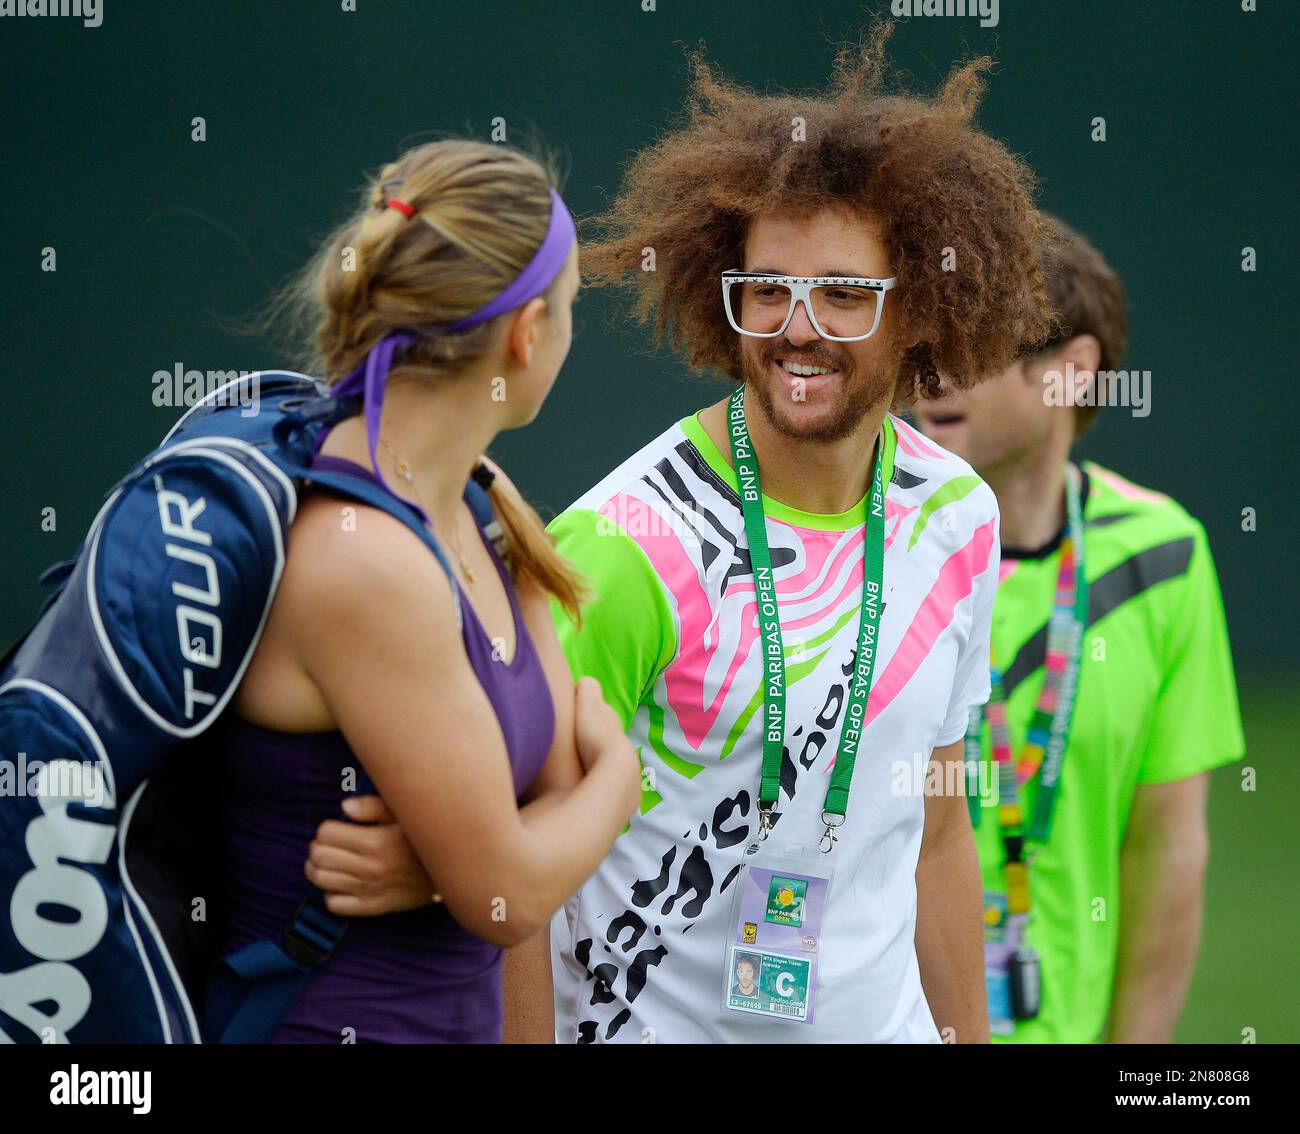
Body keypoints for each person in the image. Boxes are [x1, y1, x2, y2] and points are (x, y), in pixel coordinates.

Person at [316, 24, 1056, 1044]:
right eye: (766, 291)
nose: (798, 328)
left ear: (920, 311)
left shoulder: (956, 516)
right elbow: (509, 889)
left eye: (844, 294)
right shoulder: (623, 548)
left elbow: (934, 831)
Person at [212, 139, 641, 1043]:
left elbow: (534, 811)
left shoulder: (485, 500)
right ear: (527, 336)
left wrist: (446, 864)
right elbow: (518, 890)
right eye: (568, 310)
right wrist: (622, 780)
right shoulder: (365, 563)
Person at [915, 215, 1245, 1042]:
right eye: (925, 337)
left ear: (1070, 374)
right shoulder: (857, 548)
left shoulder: (1164, 556)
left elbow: (1168, 847)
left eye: (973, 342)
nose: (930, 374)